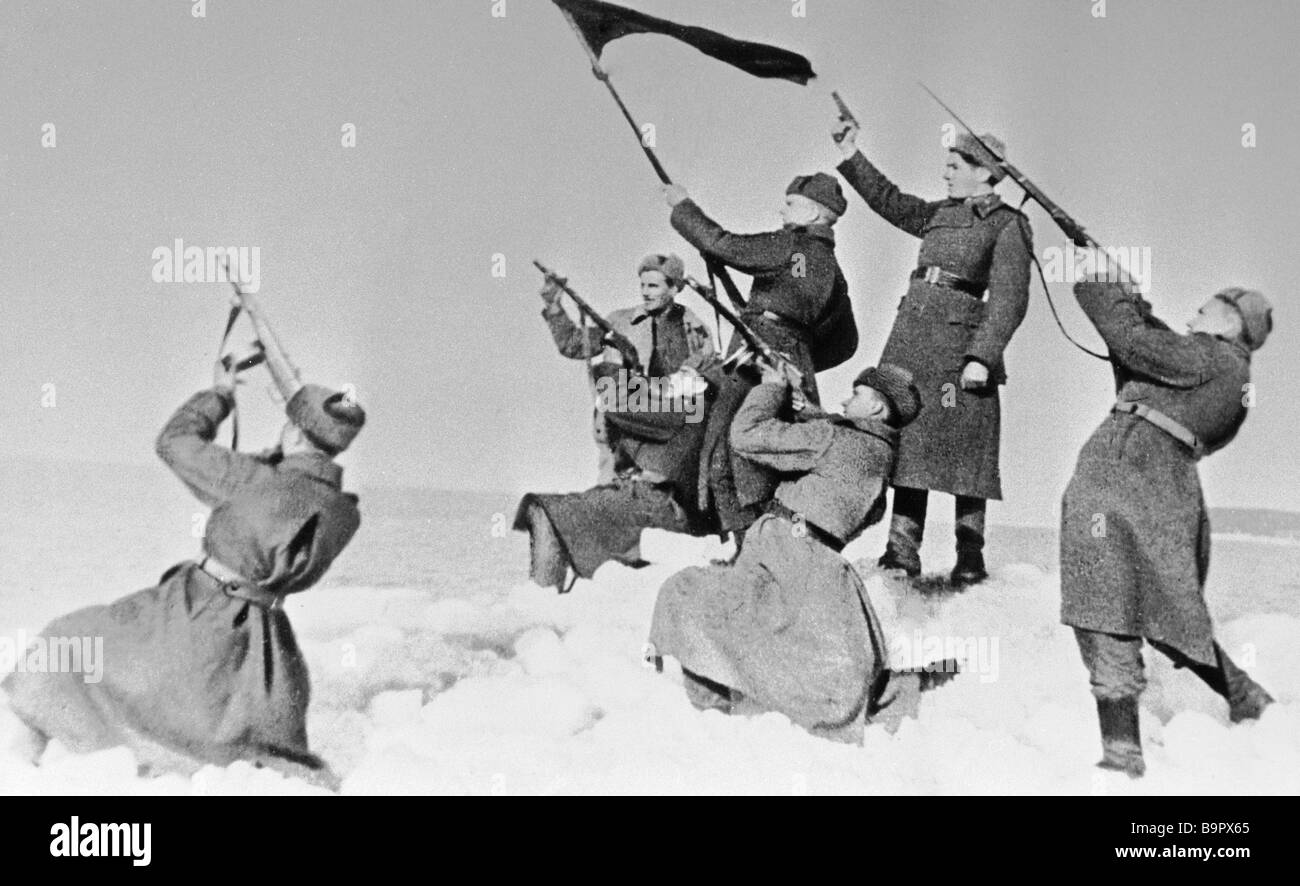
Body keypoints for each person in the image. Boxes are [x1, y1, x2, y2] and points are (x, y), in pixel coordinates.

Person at [3, 360, 364, 789]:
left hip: (197, 614)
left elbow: (174, 442)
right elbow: (291, 492)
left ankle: (17, 774)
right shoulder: (344, 510)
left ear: (293, 432)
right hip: (263, 644)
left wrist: (221, 395)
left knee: (66, 642)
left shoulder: (252, 480)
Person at [647, 362, 954, 743]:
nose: (845, 398)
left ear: (876, 409)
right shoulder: (878, 454)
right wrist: (806, 408)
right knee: (814, 663)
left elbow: (746, 435)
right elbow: (837, 463)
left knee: (686, 593)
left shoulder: (833, 439)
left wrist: (771, 390)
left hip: (783, 552)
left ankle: (712, 714)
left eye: (856, 394)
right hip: (821, 568)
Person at [1060, 264, 1275, 778]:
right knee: (1161, 613)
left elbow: (1135, 344)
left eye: (1206, 310)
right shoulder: (1222, 367)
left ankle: (1122, 753)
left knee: (1106, 606)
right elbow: (1150, 348)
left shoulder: (1211, 357)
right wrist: (1130, 299)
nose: (1193, 313)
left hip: (1127, 482)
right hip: (1152, 484)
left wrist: (1097, 281)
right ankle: (1249, 700)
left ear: (1229, 327)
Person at [834, 118, 1031, 586]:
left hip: (960, 346)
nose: (945, 173)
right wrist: (851, 154)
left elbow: (1008, 298)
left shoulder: (1008, 225)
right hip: (911, 341)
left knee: (968, 452)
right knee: (909, 445)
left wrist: (982, 355)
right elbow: (890, 201)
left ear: (983, 172)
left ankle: (970, 558)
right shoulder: (940, 213)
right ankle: (901, 553)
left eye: (953, 164)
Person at [662, 174, 858, 544]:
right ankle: (776, 549)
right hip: (795, 371)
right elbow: (847, 343)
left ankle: (746, 551)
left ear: (813, 211)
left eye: (789, 203)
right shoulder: (833, 270)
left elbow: (720, 243)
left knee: (722, 455)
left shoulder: (791, 247)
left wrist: (681, 206)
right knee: (772, 464)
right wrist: (798, 355)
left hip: (757, 363)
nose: (779, 209)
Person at [540, 253, 714, 483]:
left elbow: (706, 369)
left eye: (653, 286)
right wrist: (553, 306)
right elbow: (572, 344)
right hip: (624, 431)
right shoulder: (619, 322)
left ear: (674, 289)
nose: (645, 292)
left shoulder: (694, 328)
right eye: (642, 285)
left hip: (671, 430)